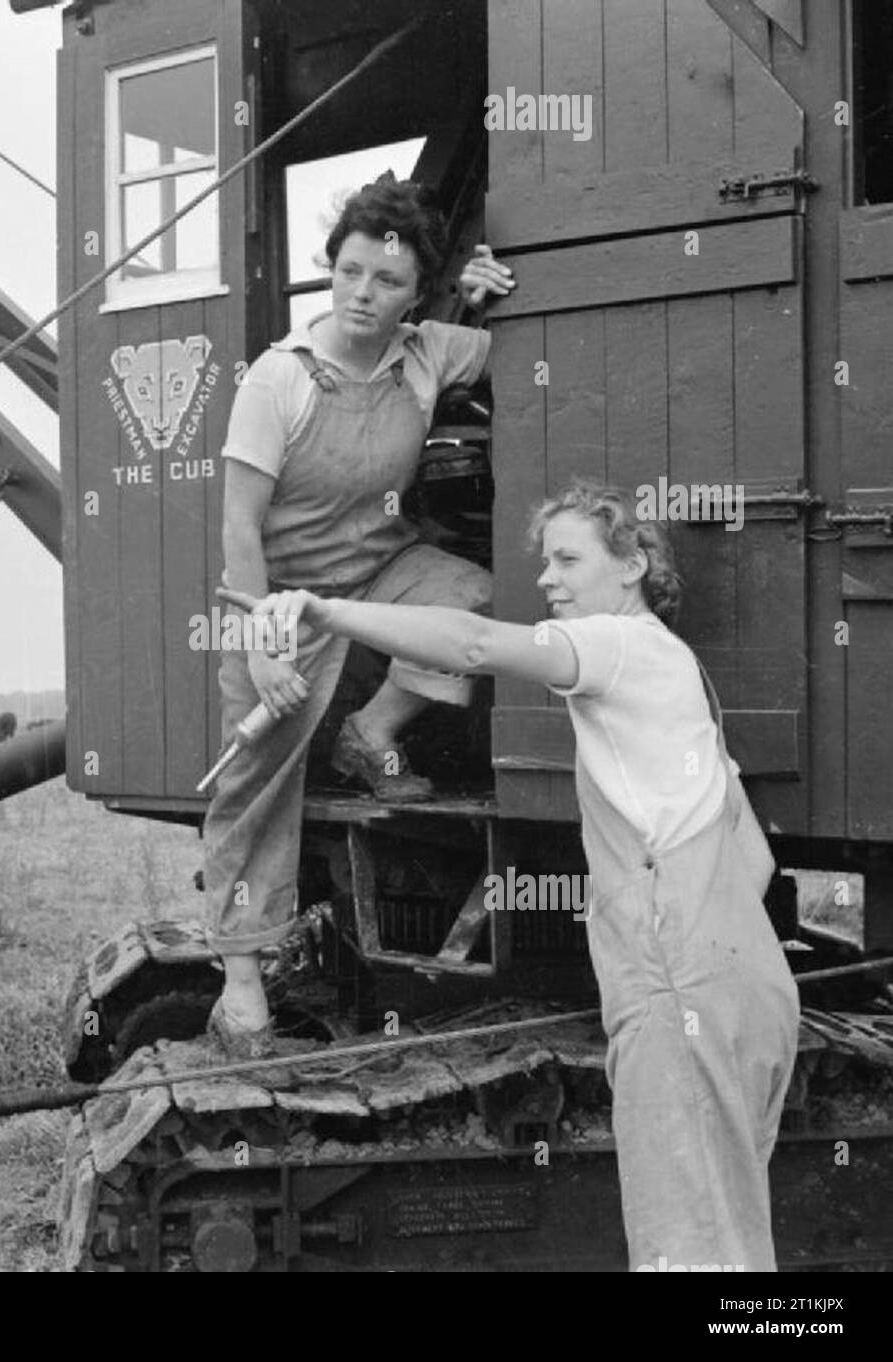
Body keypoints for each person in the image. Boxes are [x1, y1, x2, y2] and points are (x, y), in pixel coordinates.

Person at [223, 480, 801, 1272]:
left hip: (681, 986)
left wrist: (325, 611)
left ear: (631, 565)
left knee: (689, 1257)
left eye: (569, 559)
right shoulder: (680, 671)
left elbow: (470, 644)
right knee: (733, 1240)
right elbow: (754, 859)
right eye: (545, 562)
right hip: (753, 987)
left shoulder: (614, 646)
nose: (548, 579)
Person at [203, 174, 515, 1056]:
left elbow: (518, 343)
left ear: (418, 293)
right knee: (255, 788)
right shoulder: (280, 378)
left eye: (385, 281)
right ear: (328, 271)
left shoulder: (429, 350)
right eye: (348, 273)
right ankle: (240, 992)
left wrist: (488, 293)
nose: (363, 296)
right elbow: (237, 527)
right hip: (281, 594)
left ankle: (369, 730)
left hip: (379, 571)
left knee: (476, 605)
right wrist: (263, 643)